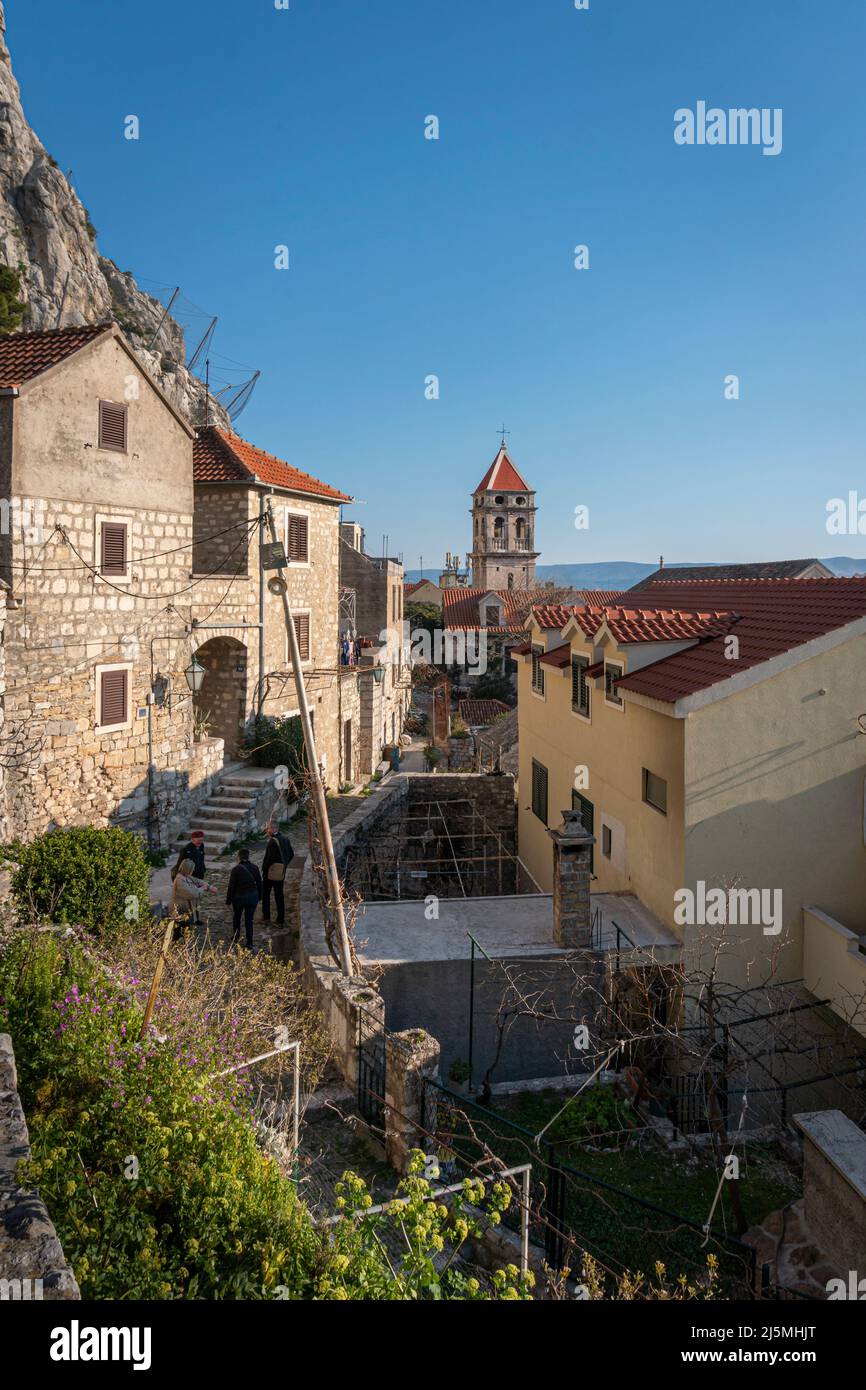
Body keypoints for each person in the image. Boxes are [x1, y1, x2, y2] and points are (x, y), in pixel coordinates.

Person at [170, 857, 217, 940]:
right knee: (180, 930)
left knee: (186, 930)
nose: (193, 870)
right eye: (192, 869)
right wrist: (203, 888)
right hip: (181, 910)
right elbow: (192, 893)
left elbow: (198, 881)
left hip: (187, 909)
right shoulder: (180, 881)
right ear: (187, 869)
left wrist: (209, 887)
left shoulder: (187, 877)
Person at [225, 848, 262, 949]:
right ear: (248, 856)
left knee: (237, 917)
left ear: (239, 857)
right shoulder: (255, 867)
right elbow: (259, 883)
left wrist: (228, 901)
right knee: (249, 920)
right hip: (252, 897)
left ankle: (236, 937)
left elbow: (231, 887)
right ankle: (249, 942)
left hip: (239, 898)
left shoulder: (236, 869)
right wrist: (259, 897)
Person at [260, 822, 294, 927]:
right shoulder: (285, 839)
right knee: (279, 896)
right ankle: (280, 920)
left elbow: (269, 859)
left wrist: (264, 871)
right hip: (281, 872)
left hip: (270, 874)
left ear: (273, 829)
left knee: (265, 895)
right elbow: (291, 854)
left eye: (268, 828)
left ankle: (266, 918)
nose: (267, 830)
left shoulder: (272, 842)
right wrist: (283, 865)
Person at [171, 830, 207, 924]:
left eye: (201, 840)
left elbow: (201, 860)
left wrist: (203, 869)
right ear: (192, 839)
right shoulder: (186, 850)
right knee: (191, 898)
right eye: (198, 840)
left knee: (197, 900)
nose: (200, 842)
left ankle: (197, 918)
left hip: (198, 875)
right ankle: (190, 919)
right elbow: (180, 865)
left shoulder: (201, 846)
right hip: (189, 877)